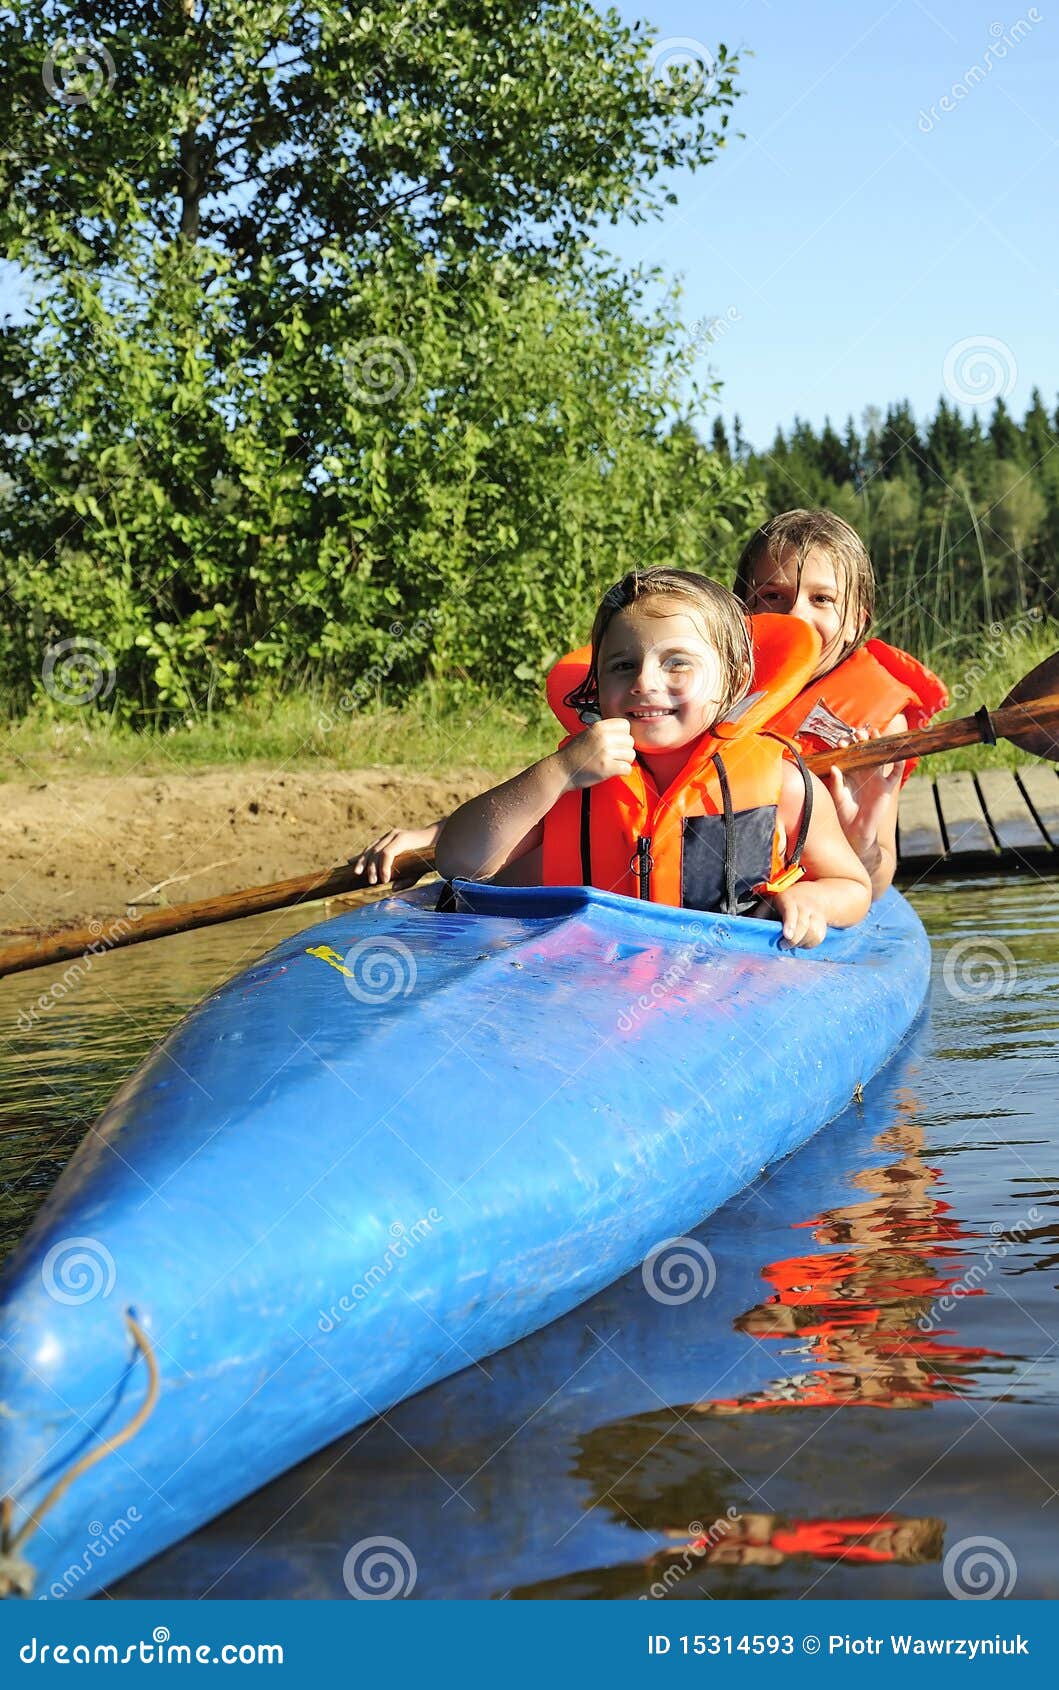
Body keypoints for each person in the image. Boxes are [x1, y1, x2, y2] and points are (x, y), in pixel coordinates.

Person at [435, 568, 870, 948]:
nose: (644, 682)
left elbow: (852, 885)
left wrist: (816, 900)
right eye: (622, 666)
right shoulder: (570, 784)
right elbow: (460, 862)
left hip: (727, 986)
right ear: (597, 685)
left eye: (677, 663)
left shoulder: (784, 785)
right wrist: (559, 772)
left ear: (735, 682)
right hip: (587, 981)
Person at [735, 508, 948, 898]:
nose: (797, 614)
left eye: (822, 598)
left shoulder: (881, 726)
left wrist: (861, 842)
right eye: (772, 596)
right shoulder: (707, 692)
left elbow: (878, 881)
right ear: (741, 610)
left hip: (806, 904)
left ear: (855, 623)